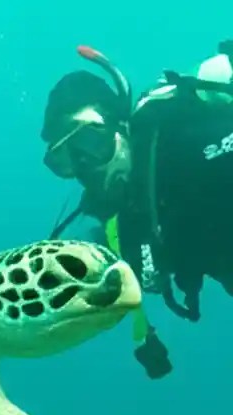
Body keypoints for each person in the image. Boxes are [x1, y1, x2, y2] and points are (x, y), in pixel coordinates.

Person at [40, 40, 233, 379]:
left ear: (120, 125)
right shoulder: (122, 232)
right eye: (68, 159)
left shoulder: (181, 137)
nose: (87, 166)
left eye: (90, 142)